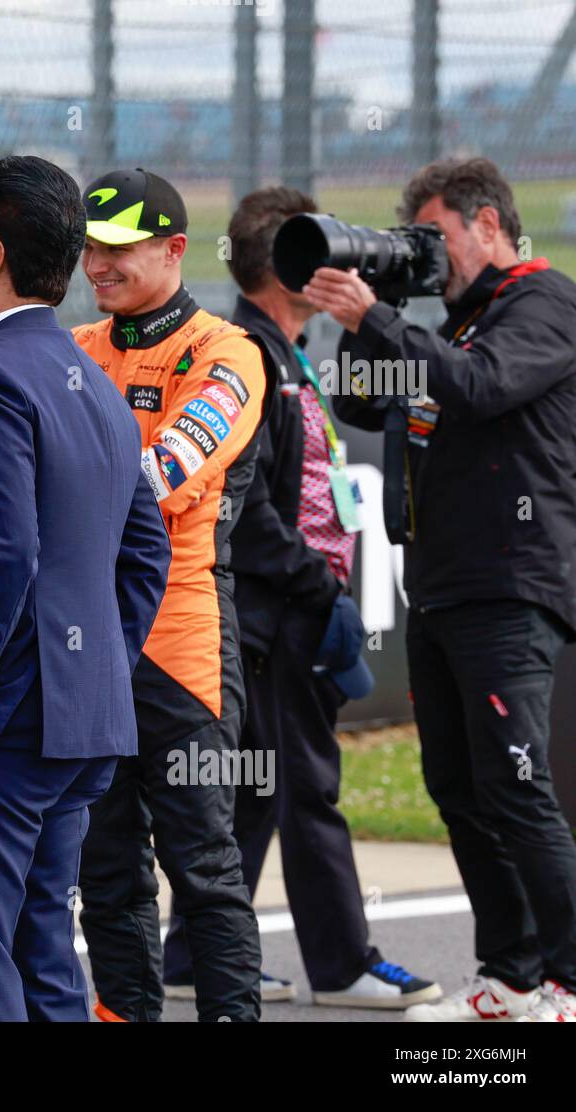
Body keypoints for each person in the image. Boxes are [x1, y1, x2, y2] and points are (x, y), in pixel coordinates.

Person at [0, 156, 171, 1022]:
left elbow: (2, 551)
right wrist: (99, 670)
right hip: (78, 718)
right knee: (41, 947)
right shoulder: (94, 380)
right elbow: (145, 550)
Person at [308, 157, 576, 1023]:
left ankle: (568, 980)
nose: (428, 255)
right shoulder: (451, 326)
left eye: (436, 236)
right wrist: (367, 314)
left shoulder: (543, 302)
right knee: (459, 789)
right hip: (441, 587)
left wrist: (382, 315)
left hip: (510, 582)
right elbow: (355, 401)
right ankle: (511, 974)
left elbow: (483, 387)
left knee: (517, 783)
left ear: (489, 224)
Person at [161, 186, 441, 1010]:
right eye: (324, 249)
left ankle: (193, 956)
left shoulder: (291, 350)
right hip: (273, 612)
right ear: (290, 266)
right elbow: (243, 513)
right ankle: (341, 962)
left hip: (285, 611)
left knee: (256, 790)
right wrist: (323, 590)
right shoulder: (247, 354)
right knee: (305, 788)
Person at [73, 167, 268, 1023]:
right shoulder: (75, 348)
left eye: (117, 249)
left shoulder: (225, 354)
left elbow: (165, 477)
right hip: (88, 647)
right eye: (88, 248)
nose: (97, 265)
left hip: (180, 642)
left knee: (204, 866)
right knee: (104, 870)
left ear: (175, 249)